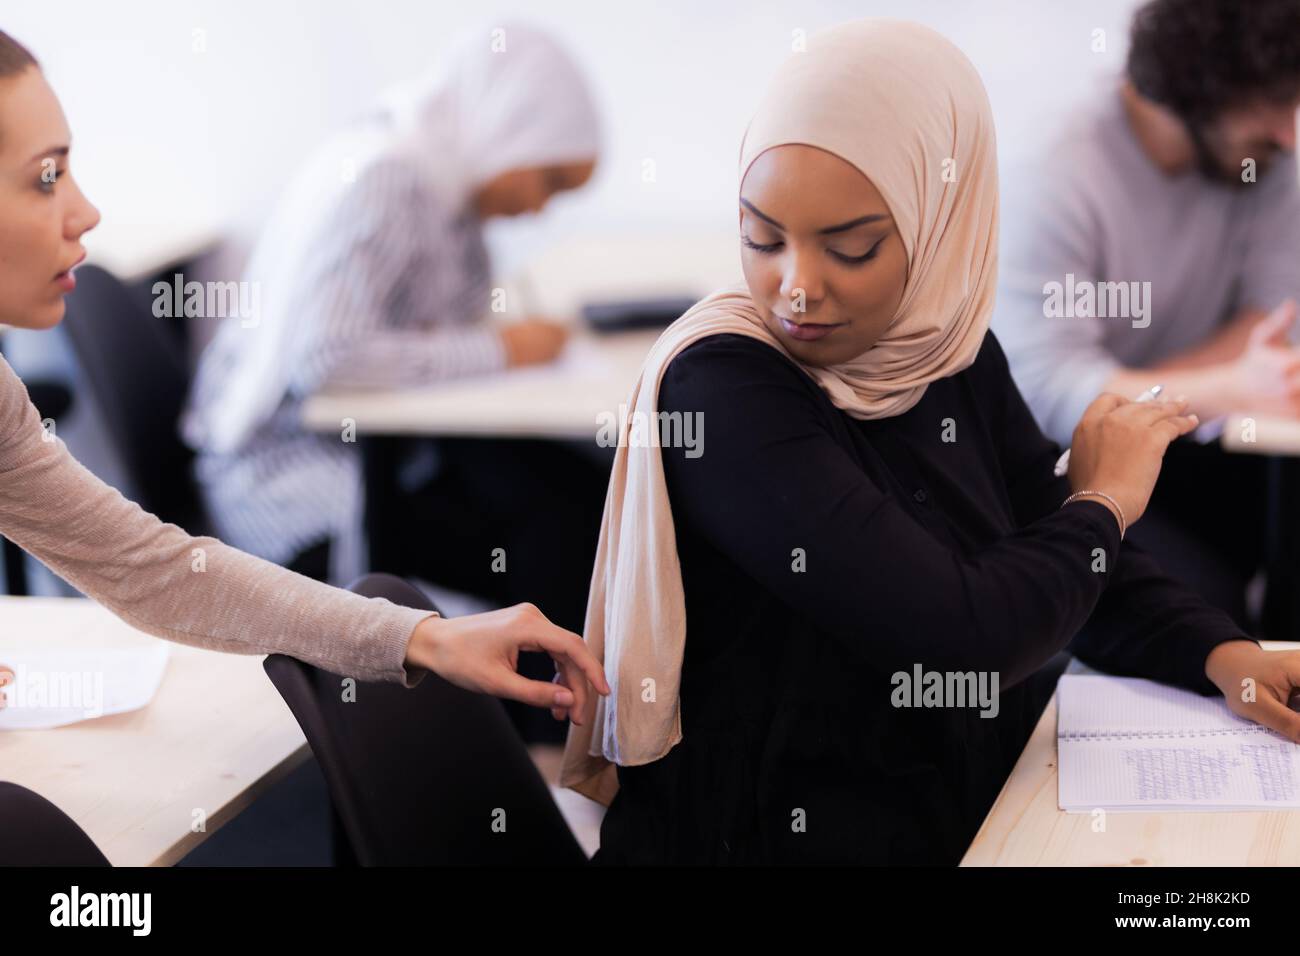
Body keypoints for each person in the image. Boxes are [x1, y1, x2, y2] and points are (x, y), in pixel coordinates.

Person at [557, 19, 1300, 866]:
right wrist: (1102, 502)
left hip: (948, 795)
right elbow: (964, 636)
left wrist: (1220, 653)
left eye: (851, 248)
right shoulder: (724, 391)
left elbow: (1057, 545)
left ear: (940, 220)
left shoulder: (948, 348)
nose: (796, 288)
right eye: (761, 237)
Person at [0, 30, 608, 719]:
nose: (86, 212)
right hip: (289, 474)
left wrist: (425, 639)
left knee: (551, 503)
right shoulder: (386, 175)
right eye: (46, 177)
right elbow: (331, 357)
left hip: (356, 463)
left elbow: (151, 567)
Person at [993, 0, 1300, 630]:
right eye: (1270, 103)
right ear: (1199, 82)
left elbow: (1272, 321)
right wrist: (1226, 387)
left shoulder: (1263, 162)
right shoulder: (1053, 171)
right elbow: (1049, 393)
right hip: (1070, 467)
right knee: (1201, 605)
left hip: (1199, 452)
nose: (1289, 133)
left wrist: (1175, 390)